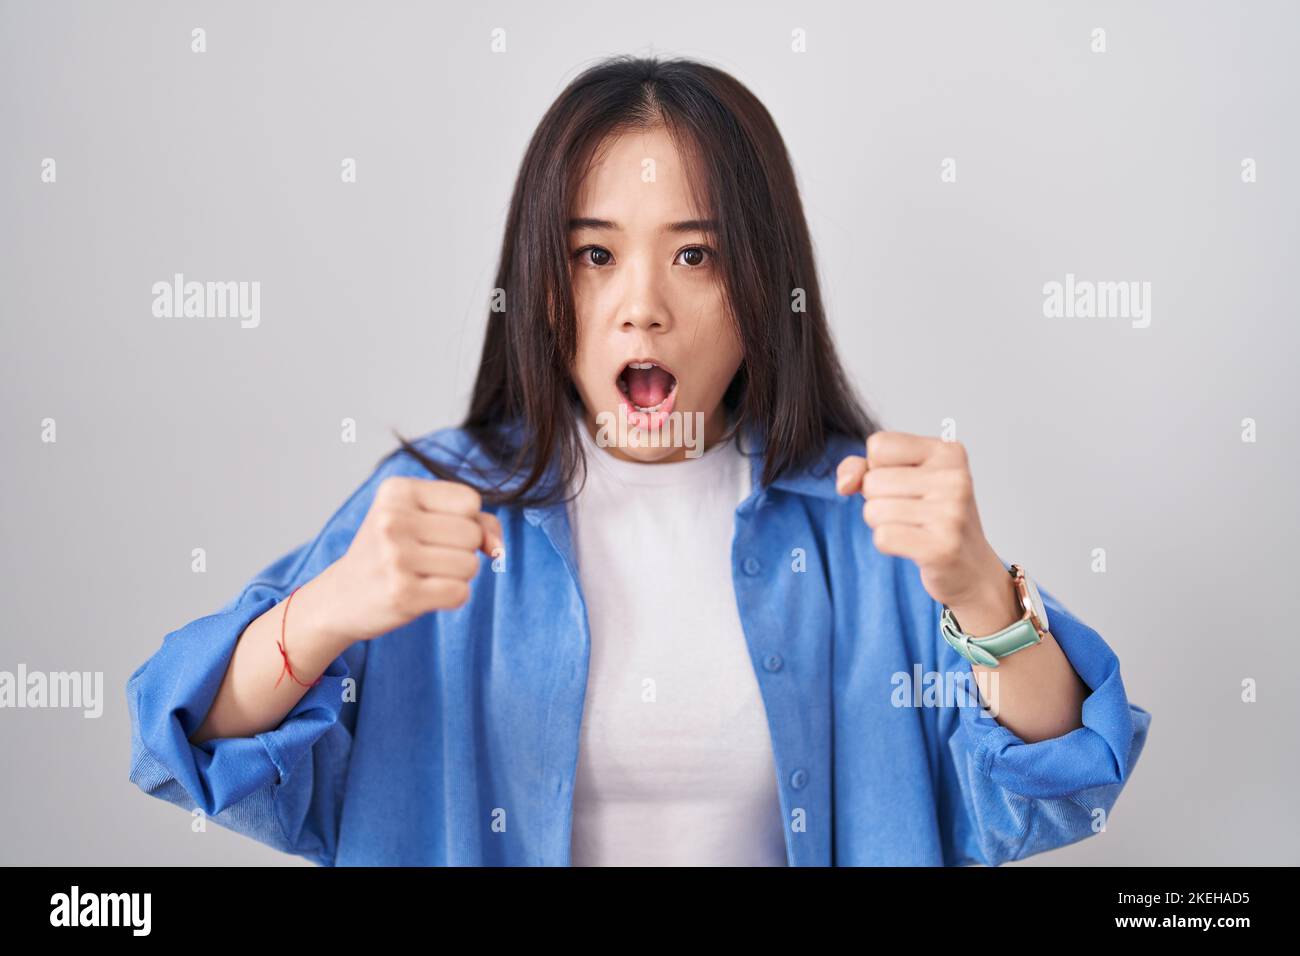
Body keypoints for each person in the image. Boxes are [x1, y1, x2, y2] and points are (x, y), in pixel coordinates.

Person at [126, 54, 1151, 866]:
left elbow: (1058, 780)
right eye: (594, 253)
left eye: (694, 254)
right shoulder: (429, 506)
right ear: (540, 287)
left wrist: (981, 593)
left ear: (763, 290)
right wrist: (332, 607)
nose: (641, 303)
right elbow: (189, 738)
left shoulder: (863, 516)